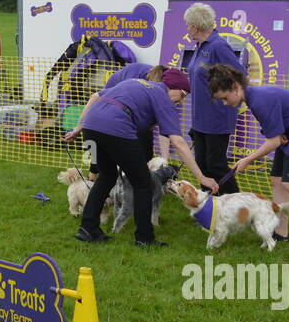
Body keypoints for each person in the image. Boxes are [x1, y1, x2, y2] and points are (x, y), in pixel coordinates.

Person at [64, 69, 218, 247]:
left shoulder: (134, 82)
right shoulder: (161, 96)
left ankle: (87, 228)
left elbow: (95, 97)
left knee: (106, 176)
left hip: (91, 127)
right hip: (116, 128)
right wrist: (201, 177)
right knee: (143, 181)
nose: (181, 100)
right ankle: (144, 238)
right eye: (182, 94)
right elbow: (178, 142)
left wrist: (79, 127)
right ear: (171, 87)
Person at [206, 63, 289, 249]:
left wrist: (247, 159)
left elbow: (274, 142)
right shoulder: (253, 98)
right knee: (277, 180)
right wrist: (280, 135)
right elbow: (277, 135)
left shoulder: (259, 100)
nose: (225, 103)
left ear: (235, 87)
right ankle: (281, 233)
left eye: (225, 98)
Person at [184, 2, 247, 195]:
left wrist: (227, 99)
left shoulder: (218, 46)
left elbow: (240, 75)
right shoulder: (200, 45)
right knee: (203, 165)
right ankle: (209, 208)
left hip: (217, 116)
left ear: (195, 26)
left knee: (216, 164)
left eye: (188, 25)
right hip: (200, 118)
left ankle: (236, 204)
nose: (187, 29)